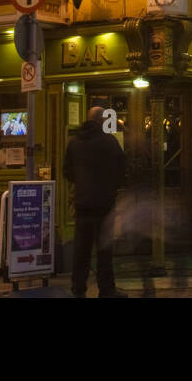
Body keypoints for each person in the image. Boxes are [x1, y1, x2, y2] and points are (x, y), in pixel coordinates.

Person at [64, 106, 128, 298]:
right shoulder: (109, 142)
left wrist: (82, 184)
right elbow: (121, 170)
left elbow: (67, 171)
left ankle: (78, 289)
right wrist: (111, 186)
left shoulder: (74, 143)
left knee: (81, 251)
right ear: (102, 120)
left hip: (82, 204)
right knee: (104, 251)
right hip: (104, 204)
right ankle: (106, 290)